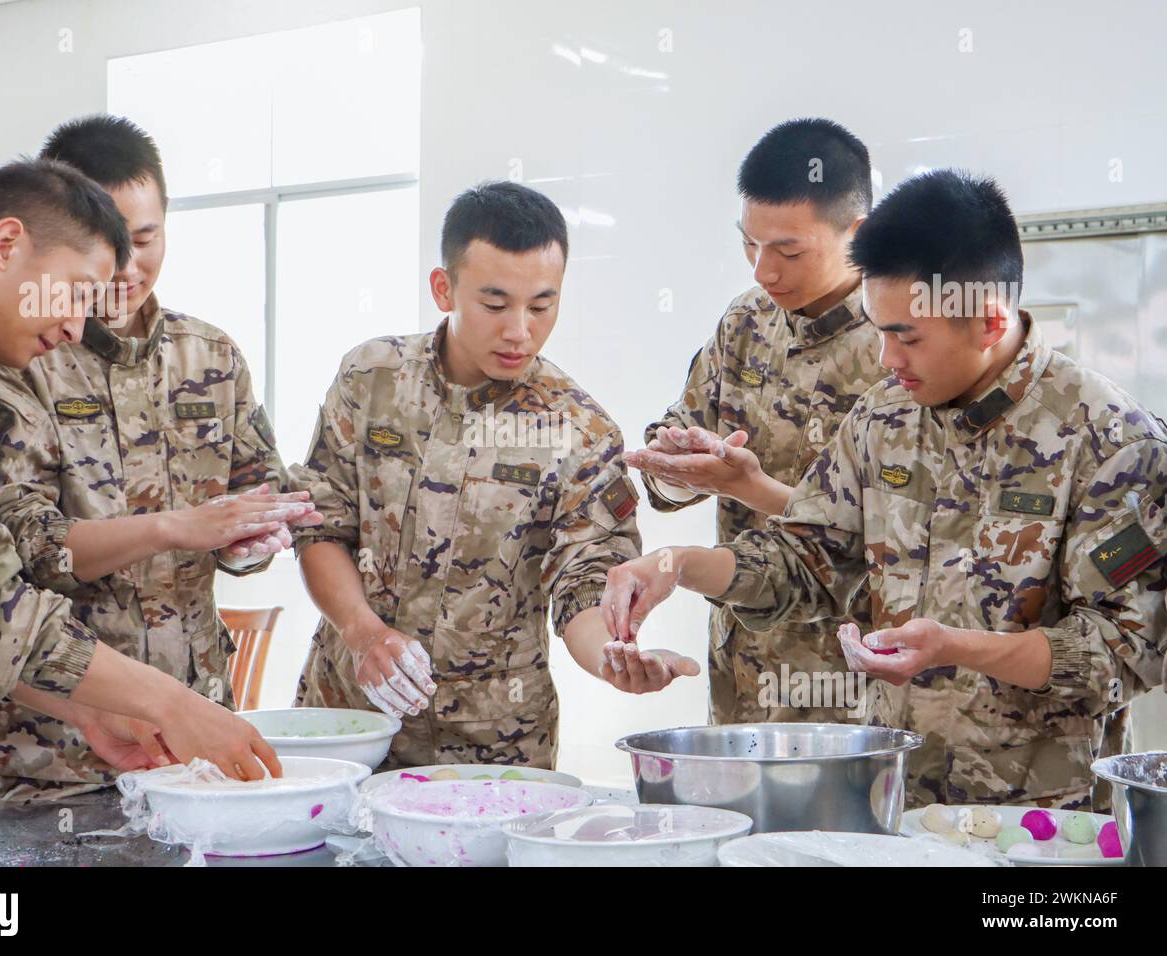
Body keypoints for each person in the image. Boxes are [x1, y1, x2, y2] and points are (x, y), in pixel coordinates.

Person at [602, 169, 1167, 808]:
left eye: (905, 336)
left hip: (1040, 824)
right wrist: (675, 566)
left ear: (987, 321)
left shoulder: (1109, 439)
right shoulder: (883, 417)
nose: (884, 357)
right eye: (877, 327)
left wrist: (956, 648)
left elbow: (1127, 649)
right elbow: (807, 560)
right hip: (894, 805)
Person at [0, 159, 281, 831]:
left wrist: (88, 707)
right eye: (77, 293)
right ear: (6, 246)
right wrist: (171, 704)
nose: (76, 328)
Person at [0, 116, 317, 810]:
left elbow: (255, 495)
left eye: (146, 240)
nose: (126, 268)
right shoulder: (17, 356)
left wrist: (250, 542)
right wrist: (176, 527)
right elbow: (17, 556)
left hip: (193, 745)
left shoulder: (209, 355)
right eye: (107, 244)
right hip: (49, 757)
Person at [292, 180, 699, 768]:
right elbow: (320, 525)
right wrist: (363, 634)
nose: (519, 331)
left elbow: (585, 584)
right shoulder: (371, 379)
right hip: (347, 721)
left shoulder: (578, 429)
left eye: (542, 305)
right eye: (494, 303)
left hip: (494, 747)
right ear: (443, 288)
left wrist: (612, 656)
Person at [629, 119, 886, 724]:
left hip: (852, 683)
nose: (763, 271)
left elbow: (902, 539)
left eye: (789, 250)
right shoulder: (746, 323)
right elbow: (670, 458)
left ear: (859, 234)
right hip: (742, 669)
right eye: (750, 243)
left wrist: (748, 487)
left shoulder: (900, 341)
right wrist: (679, 469)